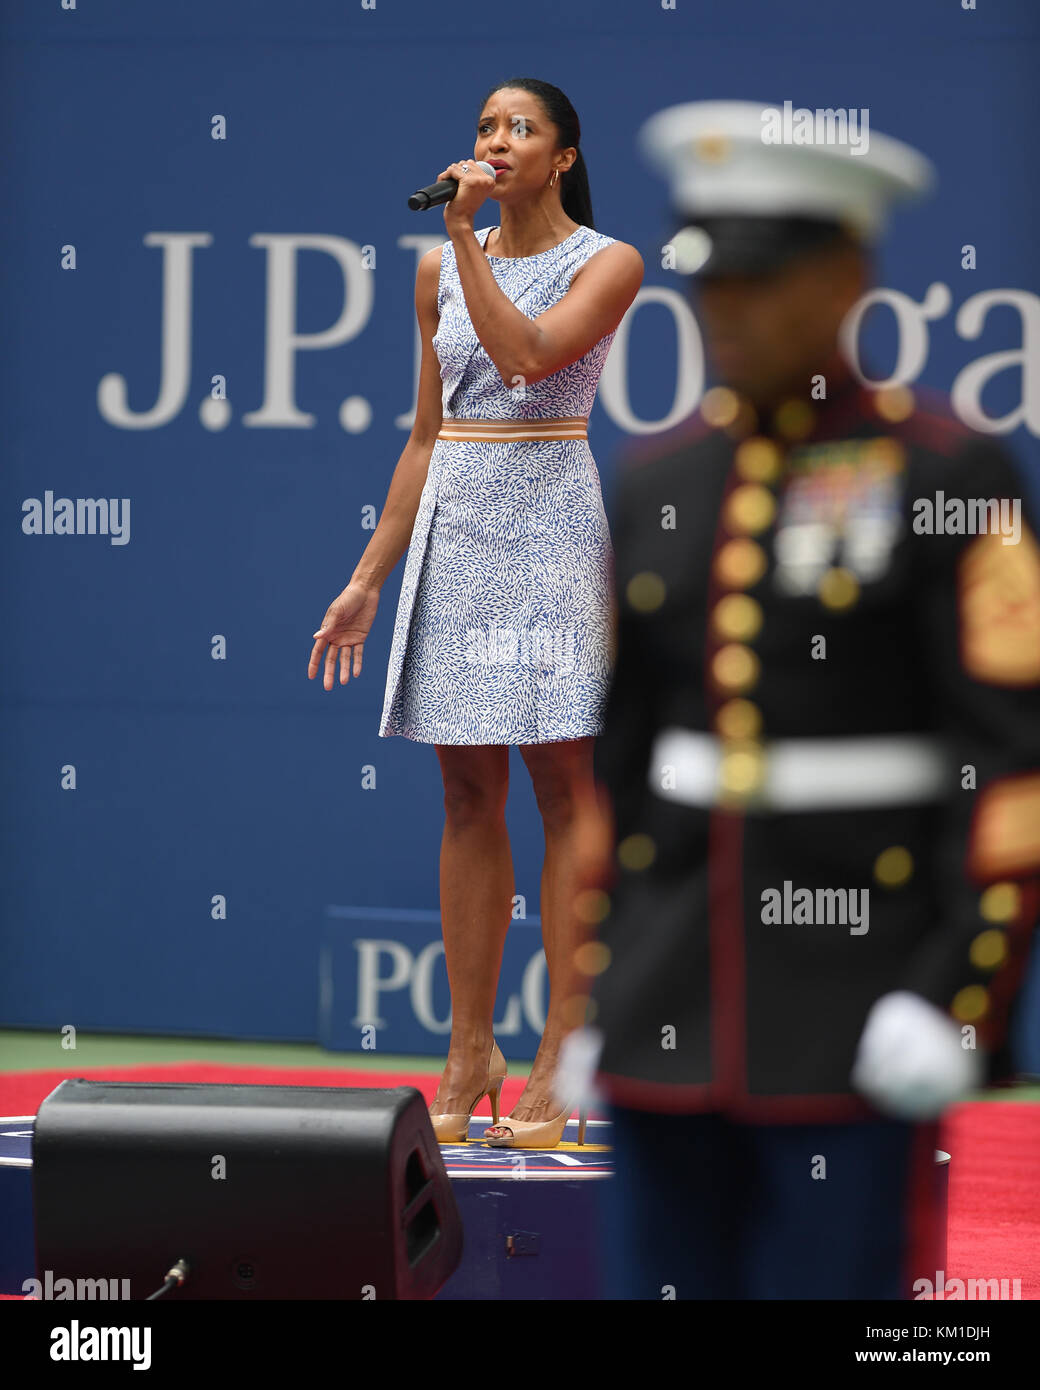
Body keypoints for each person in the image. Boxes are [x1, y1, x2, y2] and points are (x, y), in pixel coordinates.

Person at [563, 101, 1040, 1297]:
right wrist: (592, 992)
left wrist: (955, 997)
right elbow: (613, 771)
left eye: (759, 283)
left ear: (843, 277)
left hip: (855, 1006)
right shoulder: (657, 474)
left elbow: (1012, 768)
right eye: (708, 286)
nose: (725, 312)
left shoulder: (944, 472)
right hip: (664, 1006)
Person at [307, 78, 643, 1148]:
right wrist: (365, 577)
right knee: (463, 786)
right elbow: (424, 433)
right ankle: (467, 1047)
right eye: (487, 126)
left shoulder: (607, 261)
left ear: (561, 157)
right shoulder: (432, 272)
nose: (497, 140)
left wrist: (463, 238)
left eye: (521, 129)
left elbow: (527, 358)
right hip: (457, 516)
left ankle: (561, 1049)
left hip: (549, 519)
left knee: (562, 781)